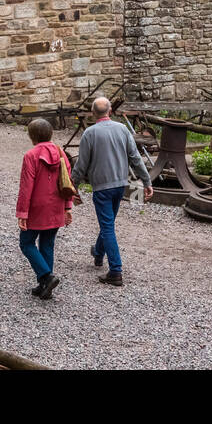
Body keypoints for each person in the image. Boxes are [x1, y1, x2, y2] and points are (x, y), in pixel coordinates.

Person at [71, 97, 152, 286]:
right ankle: (98, 253)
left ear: (93, 113)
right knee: (108, 222)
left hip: (102, 187)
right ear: (110, 111)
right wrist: (146, 180)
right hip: (120, 185)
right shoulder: (122, 129)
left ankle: (115, 271)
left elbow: (81, 165)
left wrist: (72, 184)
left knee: (107, 226)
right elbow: (135, 158)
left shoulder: (89, 134)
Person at [15, 118, 72, 299]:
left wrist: (22, 213)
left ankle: (46, 277)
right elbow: (67, 182)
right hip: (56, 205)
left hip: (36, 208)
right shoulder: (61, 153)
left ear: (32, 137)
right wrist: (67, 206)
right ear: (51, 134)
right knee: (47, 243)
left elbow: (26, 187)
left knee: (26, 242)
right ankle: (45, 284)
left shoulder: (31, 156)